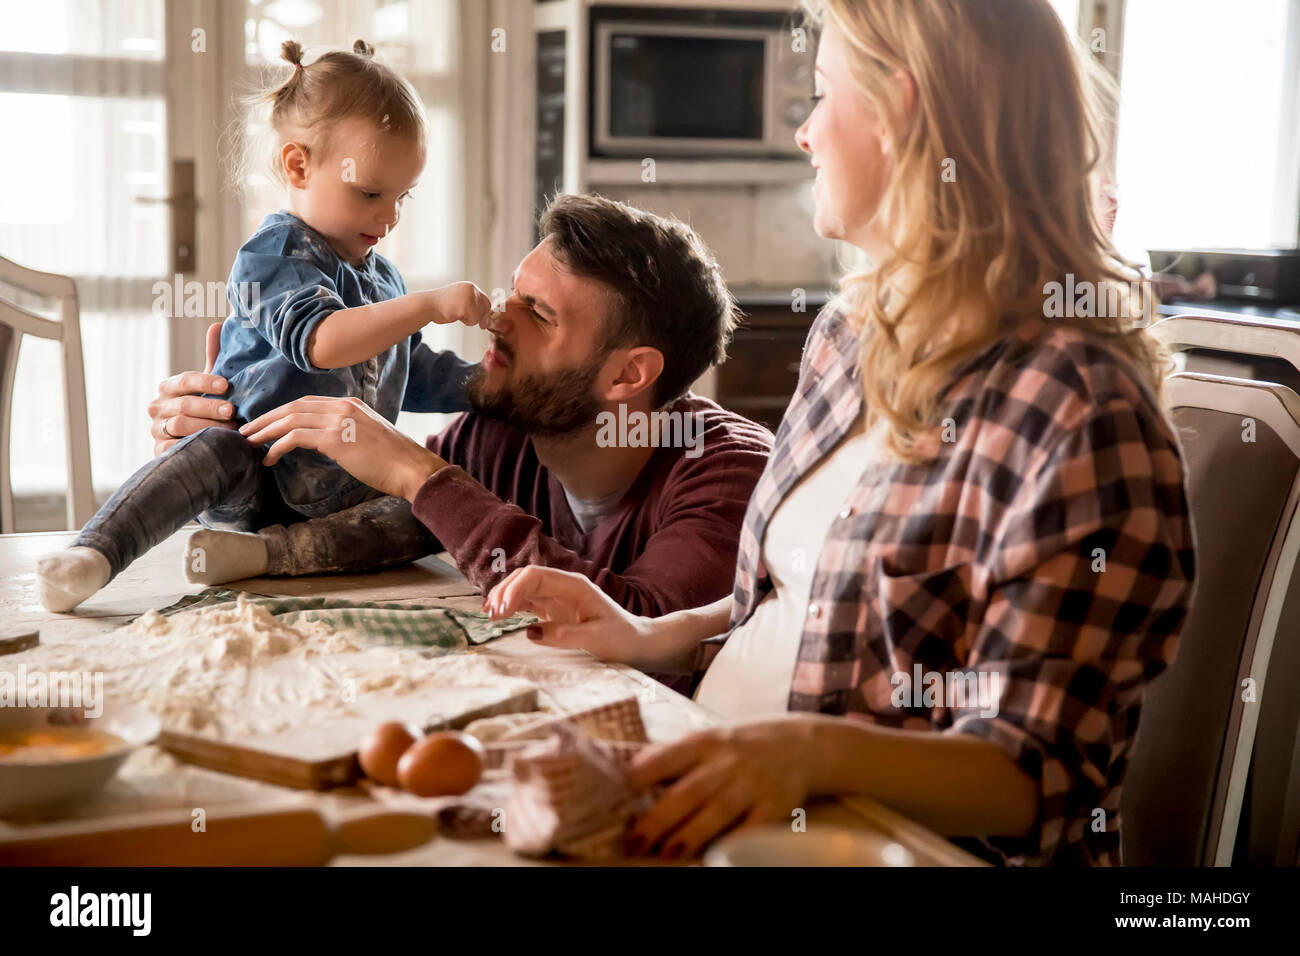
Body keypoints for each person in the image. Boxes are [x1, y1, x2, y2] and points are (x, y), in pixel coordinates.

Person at [483, 0, 1196, 866]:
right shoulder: (852, 333)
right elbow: (803, 602)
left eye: (822, 95)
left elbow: (1039, 773)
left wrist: (804, 754)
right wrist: (647, 637)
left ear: (902, 113)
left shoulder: (1078, 410)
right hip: (736, 816)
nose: (805, 135)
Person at [145, 193, 774, 619]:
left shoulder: (731, 475)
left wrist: (420, 475)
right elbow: (362, 526)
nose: (499, 320)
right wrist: (223, 452)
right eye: (514, 295)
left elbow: (644, 630)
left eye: (541, 315)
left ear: (628, 375)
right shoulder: (498, 436)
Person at [37, 39, 490, 614]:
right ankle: (95, 553)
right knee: (212, 449)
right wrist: (430, 304)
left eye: (404, 196)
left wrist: (487, 383)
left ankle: (263, 556)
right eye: (371, 193)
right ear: (298, 165)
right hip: (255, 471)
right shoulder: (274, 252)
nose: (390, 215)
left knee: (428, 508)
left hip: (339, 496)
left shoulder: (385, 279)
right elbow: (321, 342)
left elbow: (410, 371)